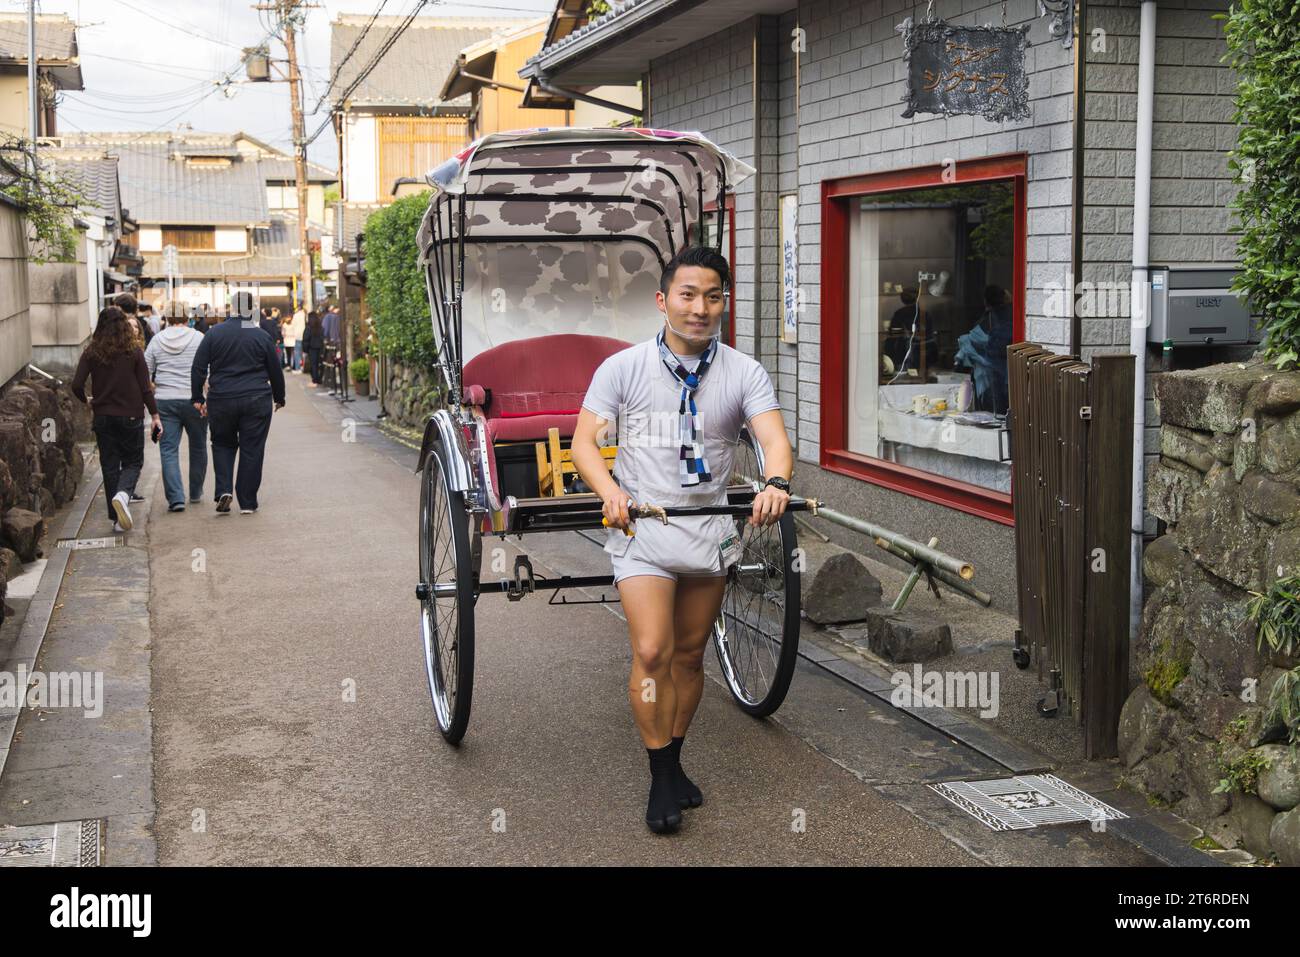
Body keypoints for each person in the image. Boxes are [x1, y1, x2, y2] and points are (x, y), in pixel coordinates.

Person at [571, 245, 793, 835]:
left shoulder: (744, 372)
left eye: (713, 296)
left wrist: (775, 481)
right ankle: (661, 772)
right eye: (688, 295)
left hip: (711, 530)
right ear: (663, 300)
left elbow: (774, 440)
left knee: (691, 654)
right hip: (642, 528)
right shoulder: (623, 368)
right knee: (652, 651)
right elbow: (584, 444)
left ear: (725, 301)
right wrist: (609, 490)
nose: (700, 308)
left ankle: (674, 754)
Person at [191, 291, 286, 515]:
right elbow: (275, 369)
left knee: (222, 443)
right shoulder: (261, 335)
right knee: (252, 448)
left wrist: (197, 397)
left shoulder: (214, 334)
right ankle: (247, 501)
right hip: (256, 398)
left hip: (222, 398)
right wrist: (279, 397)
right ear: (252, 309)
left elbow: (198, 367)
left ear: (231, 308)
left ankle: (224, 490)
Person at [70, 306, 162, 532]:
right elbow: (145, 388)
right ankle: (123, 494)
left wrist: (88, 401)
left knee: (109, 465)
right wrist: (155, 415)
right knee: (133, 462)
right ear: (123, 325)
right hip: (130, 415)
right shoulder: (134, 350)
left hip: (103, 417)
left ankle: (116, 519)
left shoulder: (91, 351)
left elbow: (76, 385)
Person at [145, 301, 207, 511]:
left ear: (167, 318)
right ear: (186, 316)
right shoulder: (199, 338)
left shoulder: (157, 340)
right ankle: (196, 492)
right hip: (195, 399)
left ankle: (176, 498)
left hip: (165, 400)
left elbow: (146, 372)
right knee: (198, 446)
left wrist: (154, 388)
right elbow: (209, 368)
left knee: (168, 449)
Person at [302, 310, 324, 386]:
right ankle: (319, 379)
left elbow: (306, 339)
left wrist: (305, 349)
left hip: (312, 348)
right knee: (319, 364)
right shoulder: (320, 326)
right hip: (320, 348)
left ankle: (314, 380)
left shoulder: (309, 327)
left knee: (313, 364)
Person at [285, 304, 306, 372]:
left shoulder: (296, 315)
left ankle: (298, 368)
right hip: (305, 335)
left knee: (297, 352)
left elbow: (293, 325)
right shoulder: (305, 314)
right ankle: (304, 366)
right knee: (304, 353)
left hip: (297, 336)